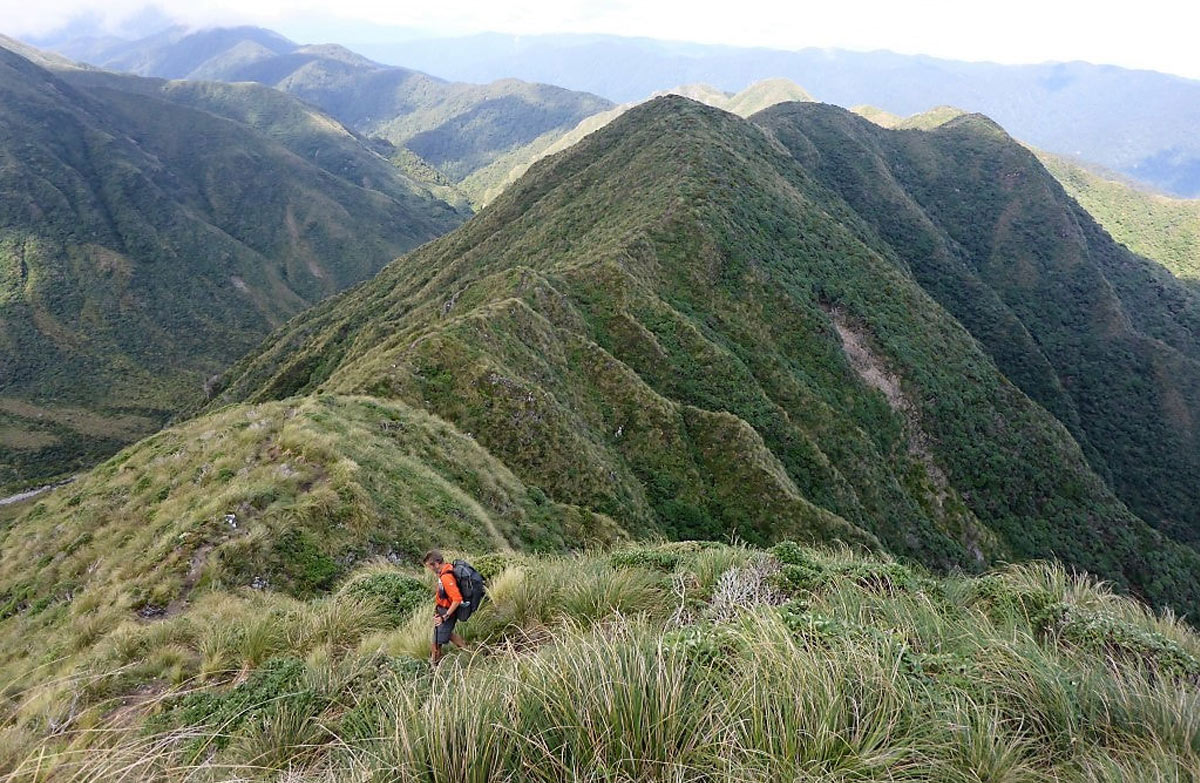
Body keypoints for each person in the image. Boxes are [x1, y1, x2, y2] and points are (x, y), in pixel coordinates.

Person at [424, 549, 467, 664]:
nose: (429, 569)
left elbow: (457, 599)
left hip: (447, 612)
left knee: (436, 642)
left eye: (430, 566)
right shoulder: (446, 569)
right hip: (442, 610)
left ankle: (434, 667)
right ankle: (469, 652)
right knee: (447, 634)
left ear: (436, 564)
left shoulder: (446, 577)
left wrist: (445, 616)